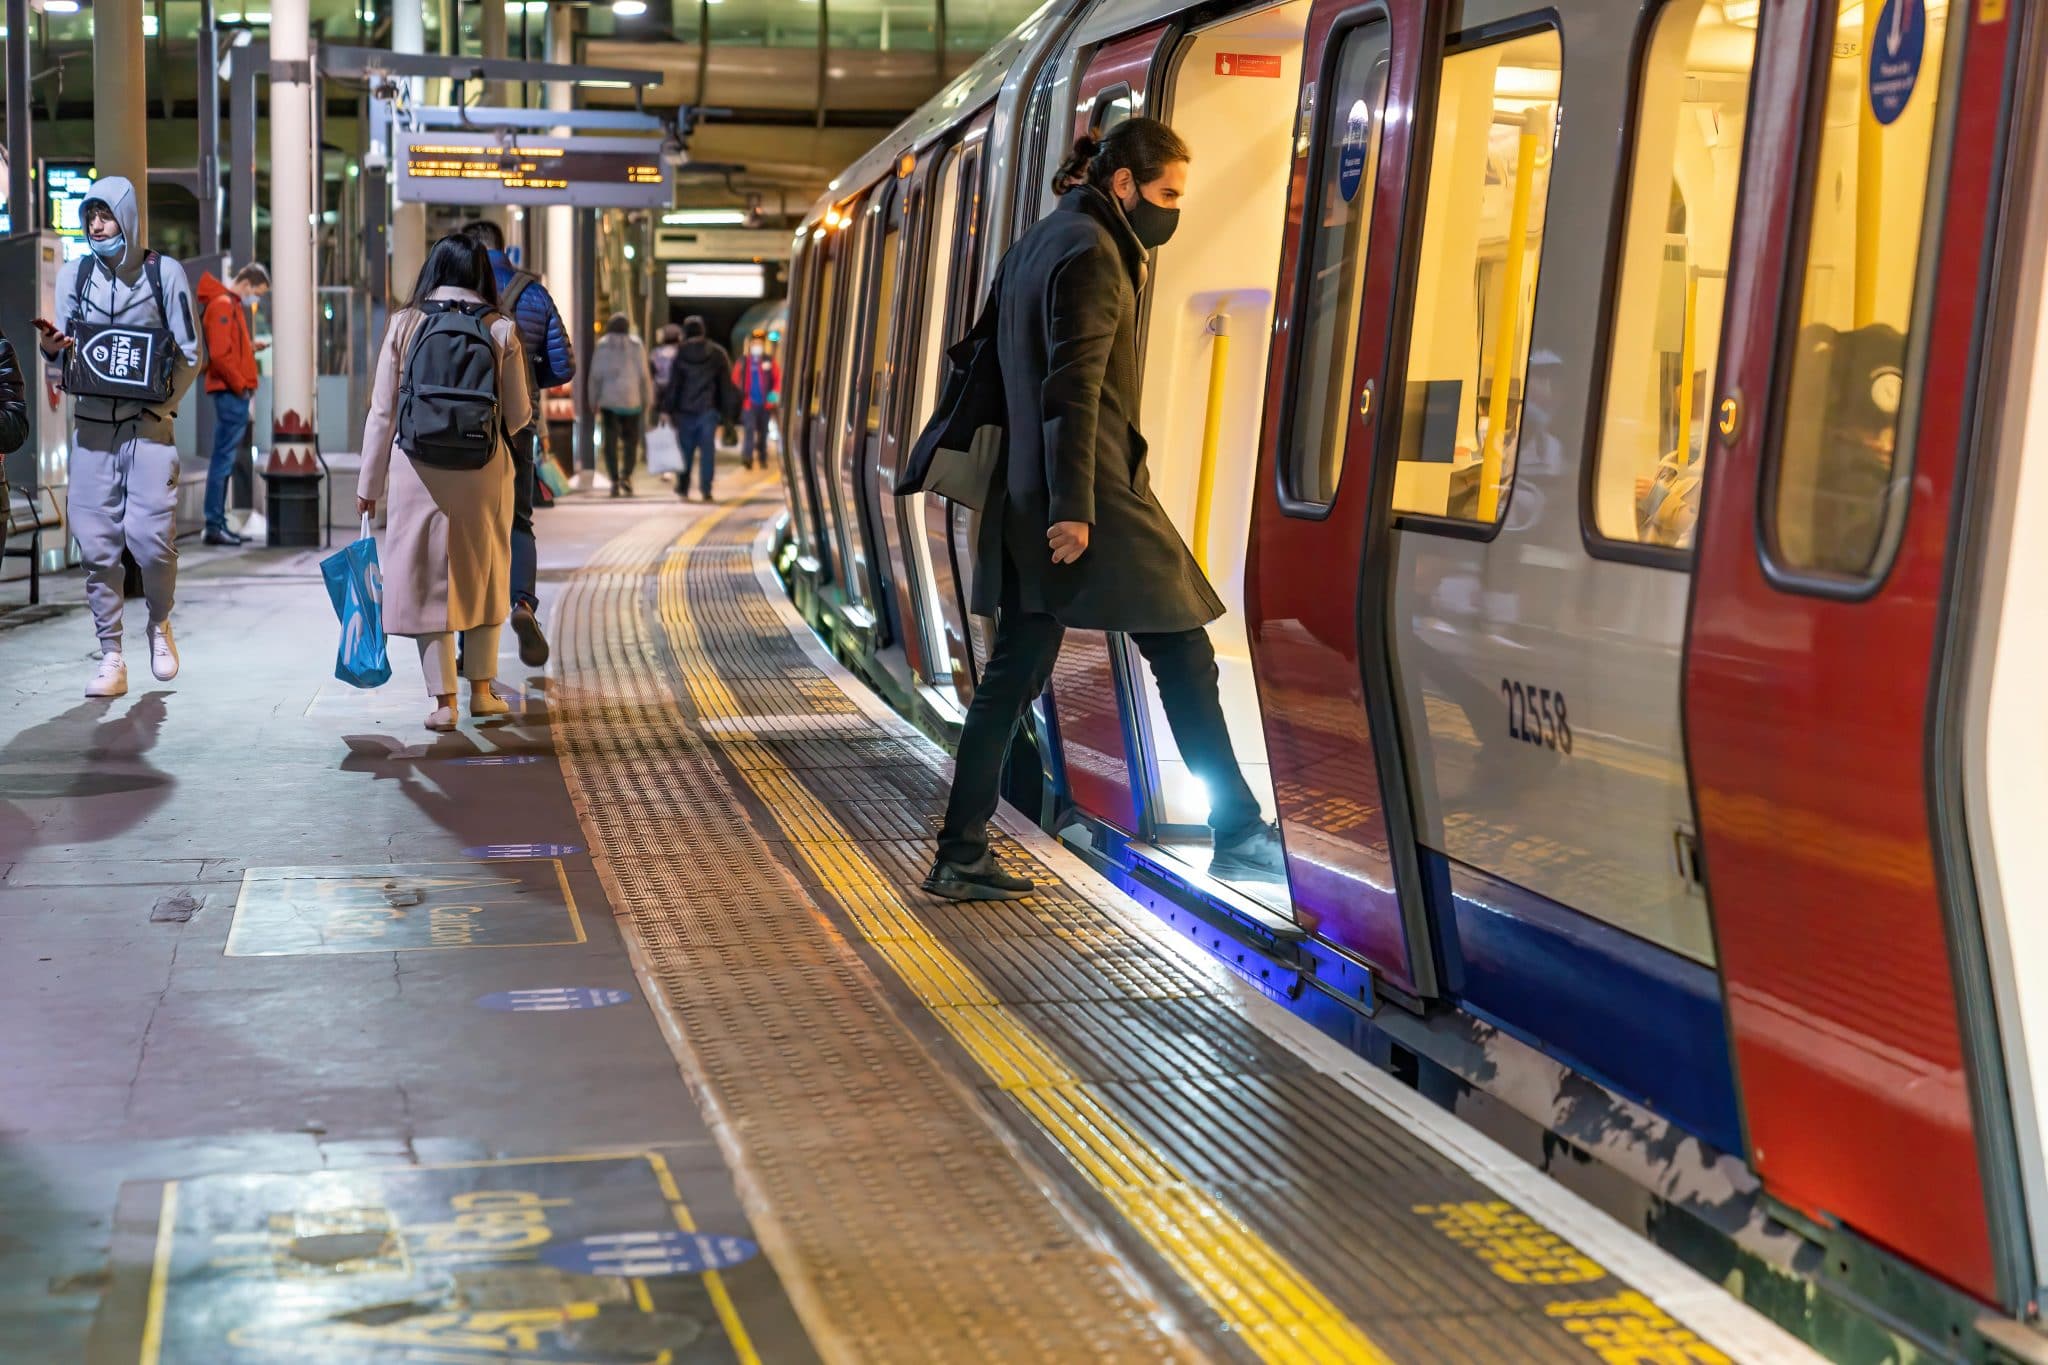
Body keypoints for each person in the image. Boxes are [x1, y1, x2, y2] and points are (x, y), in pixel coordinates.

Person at [918, 119, 1285, 901]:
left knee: (1014, 673)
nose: (1173, 209)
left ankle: (960, 850)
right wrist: (1076, 508)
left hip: (1034, 490)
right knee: (1183, 650)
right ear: (1123, 184)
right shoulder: (1090, 253)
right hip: (1089, 495)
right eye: (1166, 193)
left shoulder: (1038, 243)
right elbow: (1073, 389)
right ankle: (1241, 833)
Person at [34, 177, 204, 699]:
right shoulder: (74, 276)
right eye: (90, 218)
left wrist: (161, 402)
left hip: (150, 432)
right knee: (98, 548)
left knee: (152, 544)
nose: (97, 227)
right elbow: (66, 355)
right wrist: (51, 351)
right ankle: (111, 653)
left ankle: (159, 624)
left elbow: (190, 354)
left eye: (105, 216)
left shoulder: (164, 275)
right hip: (91, 434)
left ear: (127, 218)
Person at [356, 234, 531, 733]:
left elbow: (383, 412)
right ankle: (482, 692)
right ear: (482, 273)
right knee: (485, 573)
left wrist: (369, 484)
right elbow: (517, 416)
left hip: (417, 468)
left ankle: (442, 702)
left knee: (425, 578)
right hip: (484, 470)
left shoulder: (404, 323)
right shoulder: (500, 329)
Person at [460, 220, 572, 669]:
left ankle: (470, 646)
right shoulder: (533, 292)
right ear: (505, 249)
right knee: (517, 521)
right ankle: (522, 603)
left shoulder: (459, 290)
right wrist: (528, 383)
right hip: (518, 422)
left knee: (471, 530)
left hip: (464, 426)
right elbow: (563, 365)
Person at [197, 261, 269, 546]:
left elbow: (227, 349)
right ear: (248, 284)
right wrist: (241, 387)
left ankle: (217, 522)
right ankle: (214, 524)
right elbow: (221, 356)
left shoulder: (226, 304)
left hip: (231, 392)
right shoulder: (223, 306)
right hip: (230, 394)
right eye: (258, 292)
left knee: (223, 459)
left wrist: (249, 349)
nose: (257, 298)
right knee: (223, 460)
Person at [658, 315, 738, 502]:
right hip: (708, 410)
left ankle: (683, 487)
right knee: (707, 451)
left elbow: (674, 385)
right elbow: (725, 386)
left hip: (684, 411)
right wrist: (728, 415)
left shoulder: (680, 354)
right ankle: (706, 489)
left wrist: (666, 408)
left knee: (685, 450)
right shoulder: (717, 353)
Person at [590, 312, 654, 497]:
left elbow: (595, 376)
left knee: (610, 442)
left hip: (609, 402)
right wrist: (647, 399)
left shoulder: (602, 346)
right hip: (632, 401)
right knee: (630, 441)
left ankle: (614, 478)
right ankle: (627, 474)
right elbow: (644, 376)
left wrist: (592, 400)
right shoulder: (637, 345)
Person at [732, 332, 780, 471]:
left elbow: (777, 380)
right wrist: (739, 396)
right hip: (748, 403)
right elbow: (735, 380)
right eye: (754, 344)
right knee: (749, 430)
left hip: (765, 404)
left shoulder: (769, 361)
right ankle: (747, 457)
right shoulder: (743, 362)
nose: (756, 347)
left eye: (759, 344)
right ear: (749, 346)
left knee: (763, 432)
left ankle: (763, 457)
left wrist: (772, 397)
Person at [649, 323, 683, 393]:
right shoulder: (681, 353)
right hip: (676, 388)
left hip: (658, 388)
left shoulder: (655, 353)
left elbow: (651, 372)